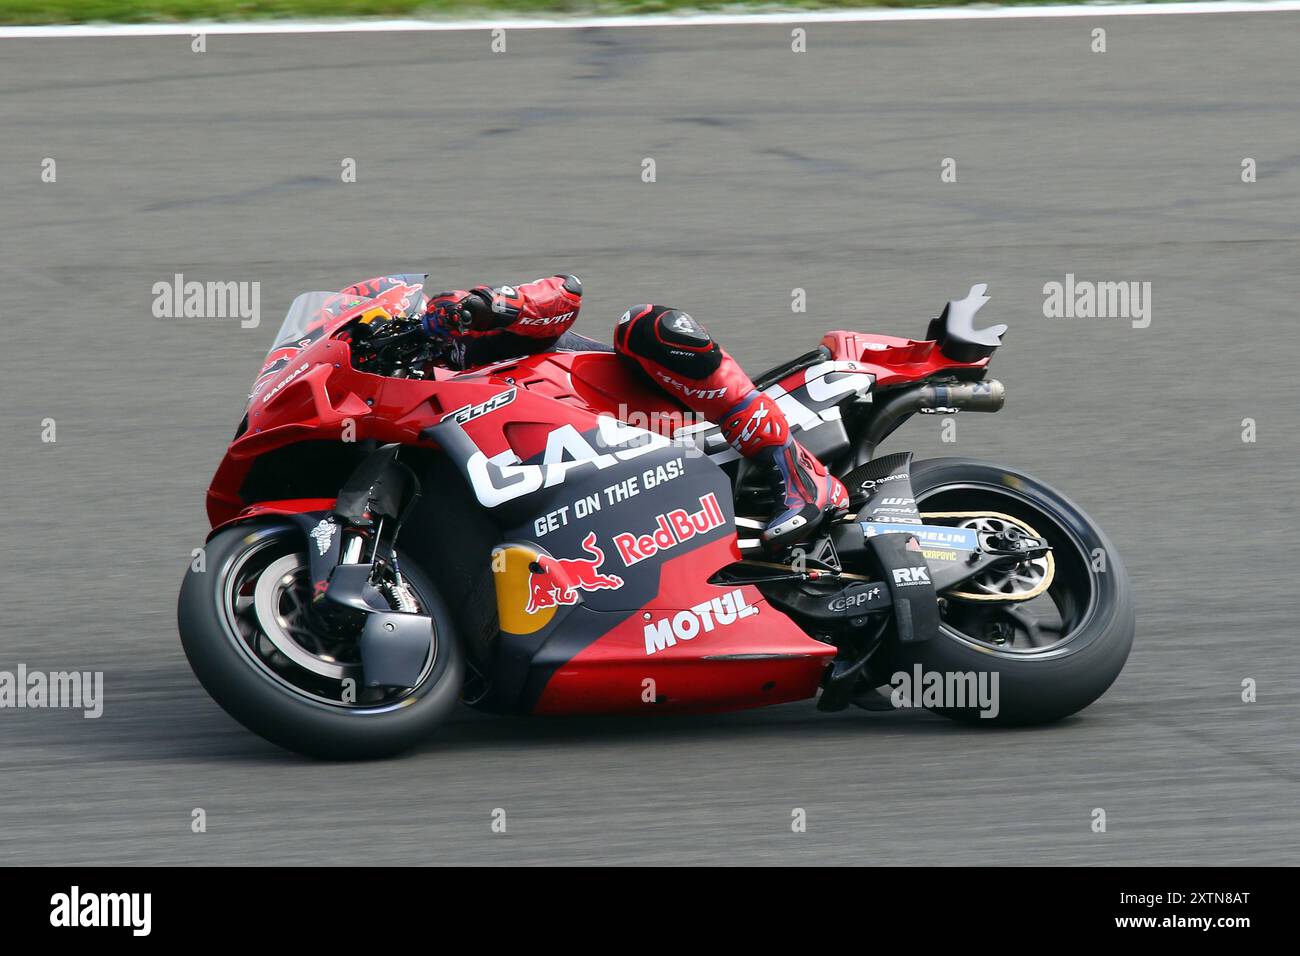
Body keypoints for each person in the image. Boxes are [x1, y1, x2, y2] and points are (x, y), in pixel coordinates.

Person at [421, 274, 847, 549]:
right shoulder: (406, 408)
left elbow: (565, 291)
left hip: (648, 414)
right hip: (566, 492)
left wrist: (490, 304)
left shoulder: (455, 324)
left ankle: (799, 475)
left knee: (645, 323)